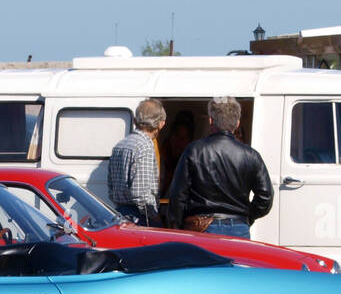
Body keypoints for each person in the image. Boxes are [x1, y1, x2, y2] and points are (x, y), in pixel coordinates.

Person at [166, 96, 273, 238]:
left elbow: (178, 195)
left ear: (210, 120)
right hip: (239, 228)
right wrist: (246, 216)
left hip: (201, 228)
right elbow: (265, 197)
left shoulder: (194, 151)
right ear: (237, 123)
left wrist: (177, 226)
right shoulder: (251, 155)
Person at [107, 99, 166, 225]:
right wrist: (154, 216)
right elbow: (140, 194)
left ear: (135, 120)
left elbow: (111, 186)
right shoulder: (144, 147)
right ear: (161, 124)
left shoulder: (120, 144)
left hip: (121, 212)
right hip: (140, 216)